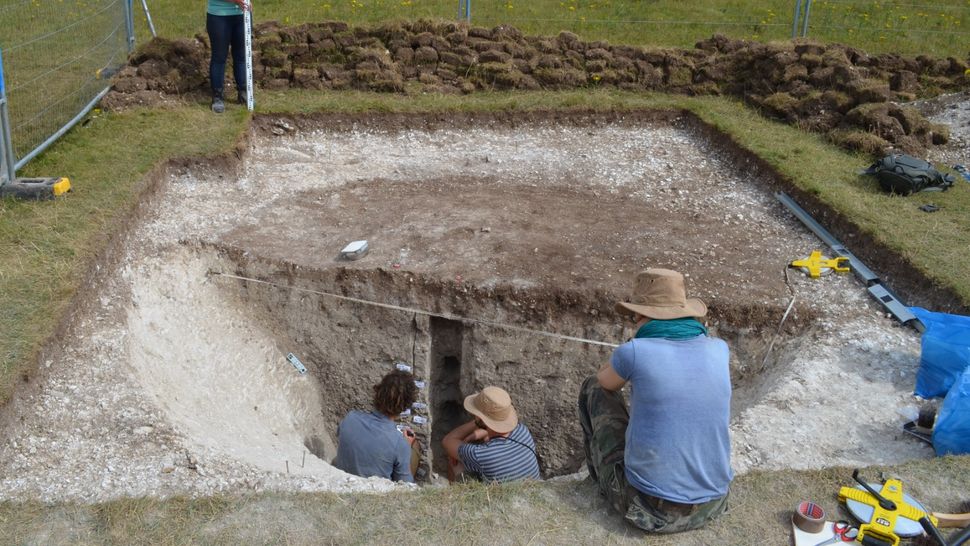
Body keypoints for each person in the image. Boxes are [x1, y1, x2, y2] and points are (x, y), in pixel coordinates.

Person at [577, 268, 732, 533]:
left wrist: (630, 346)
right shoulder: (719, 348)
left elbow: (604, 382)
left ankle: (602, 483)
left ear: (639, 315)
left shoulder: (634, 351)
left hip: (650, 510)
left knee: (592, 388)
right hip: (714, 504)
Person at [333, 370, 420, 482]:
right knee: (414, 447)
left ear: (378, 392)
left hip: (343, 483)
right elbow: (406, 485)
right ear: (406, 406)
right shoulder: (399, 443)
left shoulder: (350, 418)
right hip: (374, 495)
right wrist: (406, 447)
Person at [442, 386, 541, 483]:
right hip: (528, 493)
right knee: (485, 440)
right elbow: (500, 432)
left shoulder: (480, 454)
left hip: (500, 499)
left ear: (481, 418)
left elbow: (448, 441)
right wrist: (480, 431)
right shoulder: (523, 431)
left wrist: (477, 422)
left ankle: (454, 496)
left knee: (454, 459)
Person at [205, 0, 250, 113]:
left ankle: (243, 93)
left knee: (241, 56)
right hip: (219, 16)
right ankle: (217, 97)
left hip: (242, 15)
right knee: (219, 58)